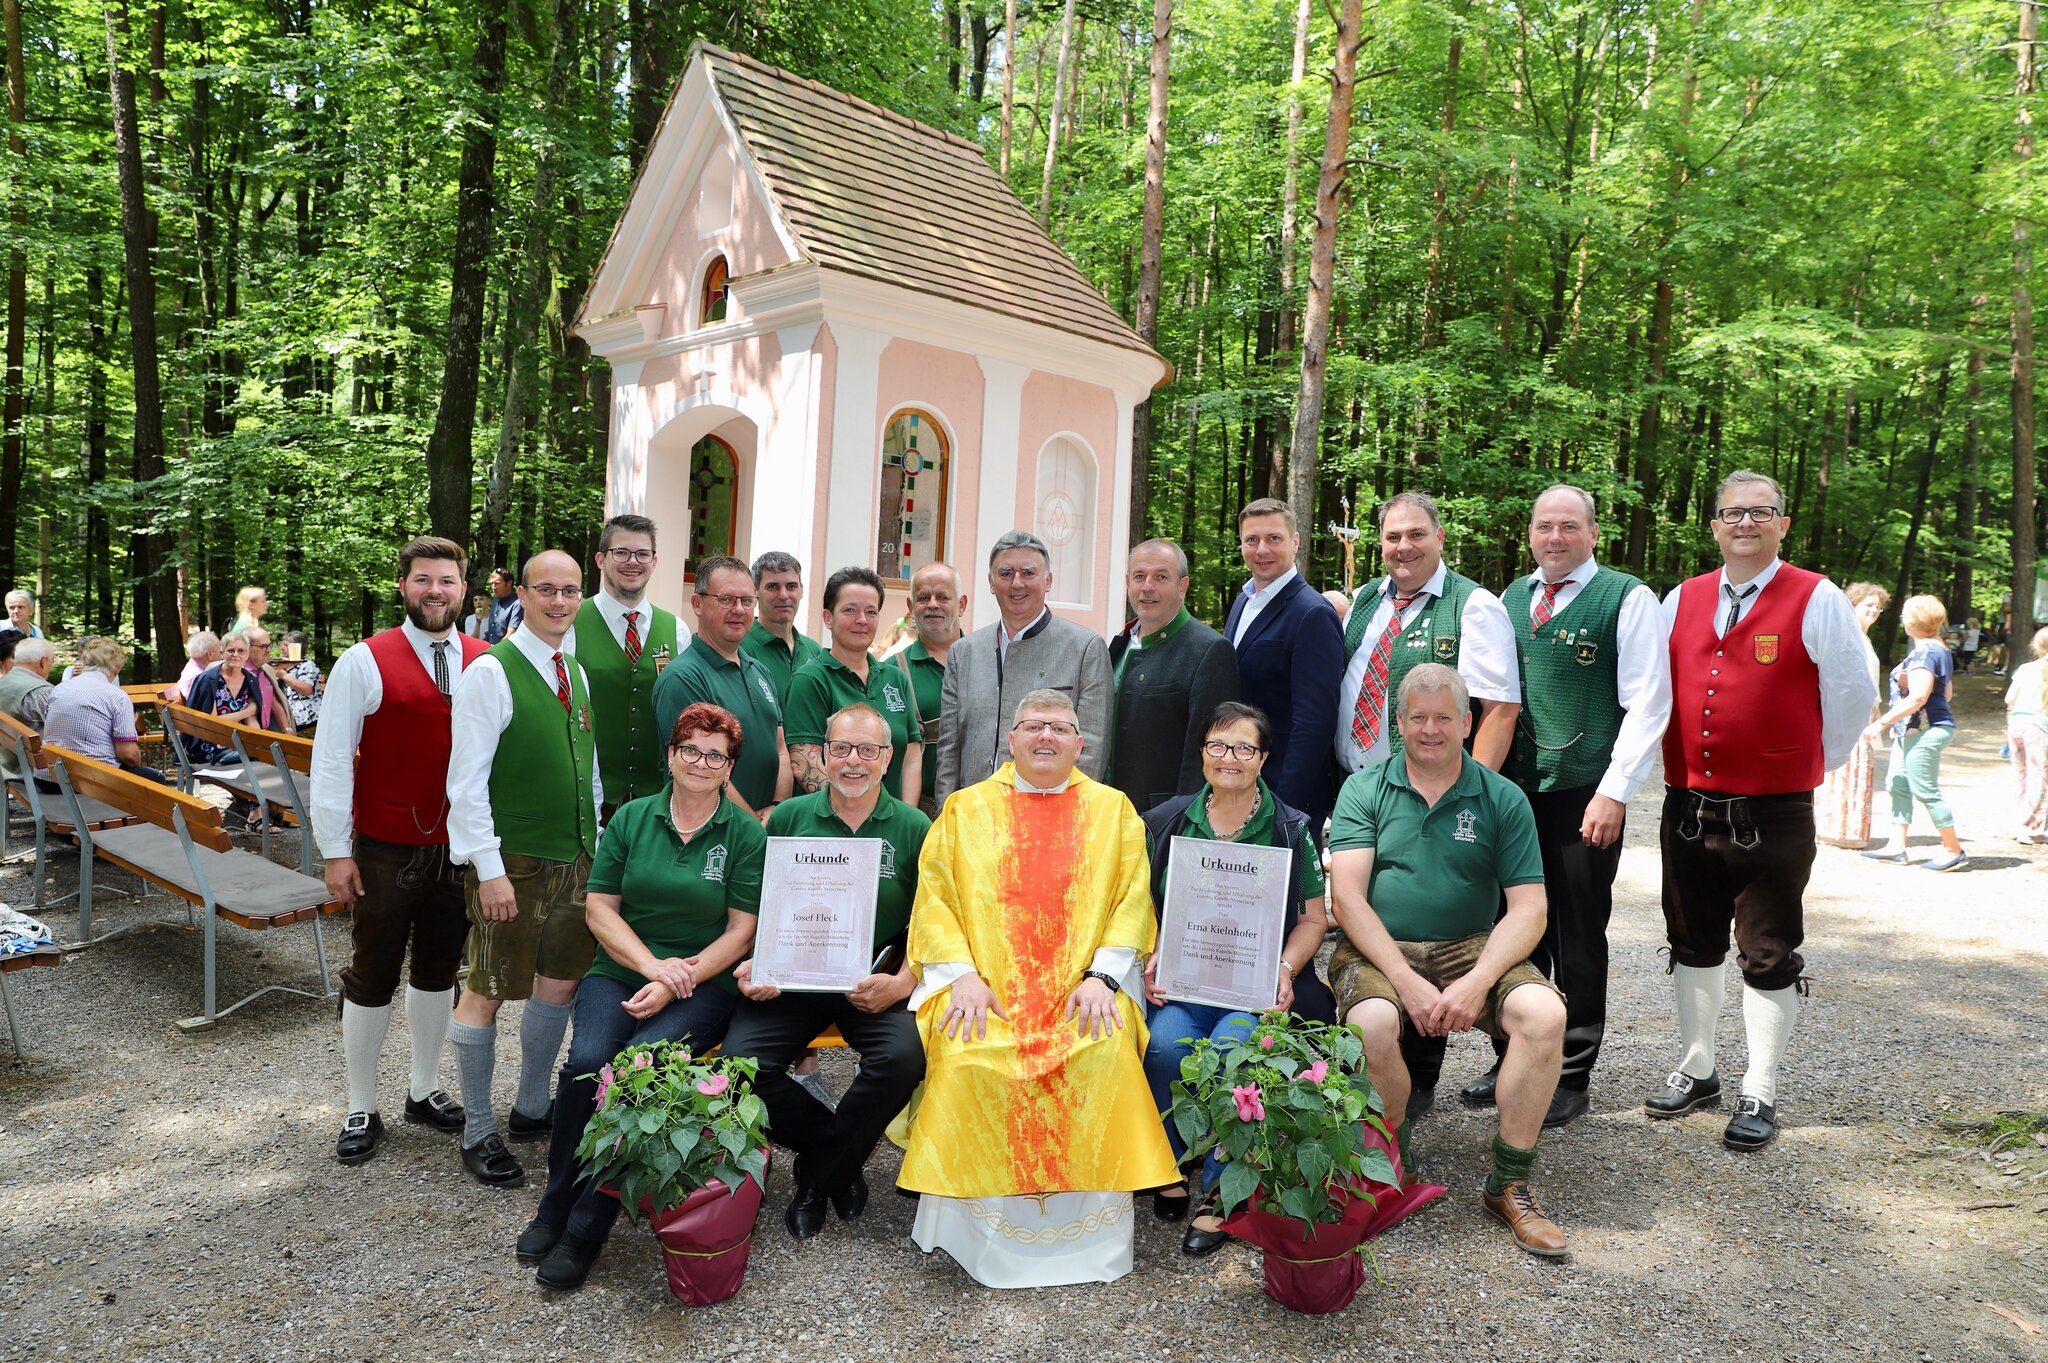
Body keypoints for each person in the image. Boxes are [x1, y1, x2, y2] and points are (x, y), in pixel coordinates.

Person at [902, 689, 1176, 1288]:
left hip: (1081, 991)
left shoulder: (1114, 811)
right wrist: (962, 976)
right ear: (1011, 738)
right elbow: (936, 901)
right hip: (988, 992)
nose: (1046, 738)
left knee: (1103, 1052)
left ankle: (1089, 1245)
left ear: (1082, 743)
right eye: (1033, 727)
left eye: (1060, 728)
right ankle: (977, 1239)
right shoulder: (964, 810)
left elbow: (1133, 901)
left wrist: (1104, 977)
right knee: (968, 1052)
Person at [1650, 470, 1876, 1151]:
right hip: (1688, 803)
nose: (1745, 523)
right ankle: (1698, 1066)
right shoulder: (1680, 598)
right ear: (1714, 525)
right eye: (1732, 513)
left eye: (1761, 512)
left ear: (1782, 524)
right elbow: (1654, 693)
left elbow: (1851, 692)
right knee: (1691, 939)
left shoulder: (1816, 596)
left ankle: (1761, 1085)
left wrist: (1803, 764)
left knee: (1768, 950)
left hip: (1773, 812)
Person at [1326, 664, 1569, 1257]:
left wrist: (1480, 979)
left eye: (1443, 718)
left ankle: (1510, 1181)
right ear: (1398, 724)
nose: (1430, 730)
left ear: (1467, 723)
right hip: (1383, 945)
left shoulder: (1501, 796)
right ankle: (1393, 1166)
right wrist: (1406, 981)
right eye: (1417, 718)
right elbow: (1348, 899)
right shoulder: (1364, 788)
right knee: (1373, 1024)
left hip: (1471, 944)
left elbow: (1530, 910)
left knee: (1544, 1015)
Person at [520, 703, 764, 1290]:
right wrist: (652, 967)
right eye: (691, 750)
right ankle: (554, 1203)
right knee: (584, 1065)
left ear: (729, 768)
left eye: (716, 755)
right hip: (624, 969)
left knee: (634, 1072)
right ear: (671, 755)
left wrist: (678, 978)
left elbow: (741, 929)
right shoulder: (631, 818)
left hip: (701, 984)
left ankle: (584, 1229)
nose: (702, 763)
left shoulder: (745, 833)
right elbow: (600, 908)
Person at [1458, 485, 1670, 1128]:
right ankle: (1514, 1052)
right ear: (1529, 533)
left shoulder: (1626, 597)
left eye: (1569, 526)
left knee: (1577, 931)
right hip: (1513, 794)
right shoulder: (1508, 601)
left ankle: (1572, 1070)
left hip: (1584, 790)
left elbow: (1649, 702)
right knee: (1513, 927)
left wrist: (1614, 791)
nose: (1556, 537)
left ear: (1593, 534)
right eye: (1545, 526)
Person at [723, 703, 930, 1239]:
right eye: (841, 749)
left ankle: (817, 1179)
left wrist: (904, 981)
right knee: (741, 1066)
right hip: (792, 975)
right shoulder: (789, 817)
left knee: (904, 1057)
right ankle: (835, 1152)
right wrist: (756, 962)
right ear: (824, 755)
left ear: (887, 758)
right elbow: (765, 902)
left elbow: (934, 919)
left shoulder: (913, 826)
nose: (853, 761)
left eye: (867, 750)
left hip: (871, 979)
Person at [311, 535, 487, 1166]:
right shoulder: (365, 659)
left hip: (460, 847)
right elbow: (331, 760)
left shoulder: (486, 658)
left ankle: (422, 1087)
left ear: (464, 589)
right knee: (374, 971)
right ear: (404, 587)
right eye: (422, 580)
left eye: (446, 580)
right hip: (385, 845)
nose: (435, 591)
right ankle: (360, 1103)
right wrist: (335, 848)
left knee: (441, 968)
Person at [1139, 701, 1335, 1255]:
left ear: (1263, 758)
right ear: (1202, 753)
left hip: (1251, 988)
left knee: (1232, 1055)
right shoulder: (1165, 822)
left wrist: (1284, 968)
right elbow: (1141, 906)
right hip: (1182, 980)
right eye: (1218, 746)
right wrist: (1152, 951)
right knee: (1163, 1048)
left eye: (1244, 747)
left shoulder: (1290, 828)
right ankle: (1167, 1163)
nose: (1230, 757)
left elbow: (1313, 920)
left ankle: (1221, 1192)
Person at [445, 549, 604, 1188]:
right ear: (524, 594)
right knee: (486, 988)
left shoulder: (578, 672)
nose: (560, 602)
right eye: (548, 590)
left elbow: (588, 774)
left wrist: (594, 847)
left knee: (558, 984)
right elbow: (466, 782)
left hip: (575, 860)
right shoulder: (492, 671)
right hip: (512, 864)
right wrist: (488, 868)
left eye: (570, 591)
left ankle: (532, 1105)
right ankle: (478, 1127)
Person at [933, 531, 1113, 807]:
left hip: (1050, 814)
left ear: (1048, 581)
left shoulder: (1084, 648)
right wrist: (947, 813)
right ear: (991, 583)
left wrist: (1069, 816)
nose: (1017, 583)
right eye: (1005, 574)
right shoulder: (964, 652)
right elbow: (949, 749)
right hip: (974, 815)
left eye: (1028, 573)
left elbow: (1091, 750)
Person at [1224, 498, 1343, 826]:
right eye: (1252, 540)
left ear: (1295, 541)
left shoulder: (1312, 613)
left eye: (1273, 538)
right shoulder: (1243, 602)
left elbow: (1314, 723)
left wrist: (1282, 806)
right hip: (1238, 783)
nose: (1262, 549)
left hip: (1283, 796)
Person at [652, 555, 791, 820]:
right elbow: (702, 769)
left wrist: (777, 808)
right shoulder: (683, 678)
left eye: (747, 601)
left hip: (762, 828)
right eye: (726, 599)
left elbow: (781, 749)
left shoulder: (760, 671)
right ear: (697, 604)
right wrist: (752, 823)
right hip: (711, 834)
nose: (738, 610)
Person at [1108, 539, 1240, 815]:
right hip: (1107, 812)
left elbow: (1207, 752)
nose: (1147, 587)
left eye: (1161, 577)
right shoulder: (1118, 644)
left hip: (1163, 817)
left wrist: (1182, 820)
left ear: (1183, 586)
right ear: (1127, 582)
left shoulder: (1209, 650)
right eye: (1139, 577)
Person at [571, 514, 684, 818]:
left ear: (654, 561)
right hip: (589, 800)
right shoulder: (570, 625)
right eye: (621, 552)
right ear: (600, 559)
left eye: (642, 554)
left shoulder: (677, 630)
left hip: (658, 801)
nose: (632, 562)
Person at [786, 566, 922, 802]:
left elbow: (911, 758)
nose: (861, 620)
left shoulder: (896, 678)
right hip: (830, 827)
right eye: (850, 610)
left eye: (871, 612)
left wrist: (905, 817)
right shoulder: (810, 680)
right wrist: (856, 812)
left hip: (891, 825)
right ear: (828, 618)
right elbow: (805, 762)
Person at [1860, 595, 1966, 872]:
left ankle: (1953, 849)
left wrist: (1881, 723)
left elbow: (1919, 697)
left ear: (1911, 621)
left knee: (1925, 789)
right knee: (1897, 782)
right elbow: (1947, 693)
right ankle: (1897, 846)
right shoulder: (1937, 650)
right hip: (1913, 730)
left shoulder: (1925, 653)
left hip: (1926, 730)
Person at [885, 561, 964, 814]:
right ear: (910, 607)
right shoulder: (892, 671)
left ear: (961, 605)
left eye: (943, 597)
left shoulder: (989, 660)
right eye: (923, 597)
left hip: (980, 814)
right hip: (919, 812)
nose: (932, 604)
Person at [1817, 583, 1889, 848]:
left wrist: (1877, 707)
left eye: (1877, 607)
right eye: (1867, 605)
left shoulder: (1865, 638)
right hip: (1849, 713)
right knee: (1845, 768)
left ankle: (1849, 828)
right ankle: (1837, 828)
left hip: (1867, 712)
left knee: (1858, 769)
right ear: (1853, 606)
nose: (1873, 610)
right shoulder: (1849, 636)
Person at [42, 636, 169, 783]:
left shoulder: (58, 690)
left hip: (49, 778)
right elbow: (128, 755)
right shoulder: (117, 696)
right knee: (156, 779)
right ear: (116, 668)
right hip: (90, 780)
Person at [740, 551, 824, 706]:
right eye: (773, 587)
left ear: (802, 590)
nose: (784, 595)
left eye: (791, 586)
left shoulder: (815, 651)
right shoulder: (740, 648)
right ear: (755, 592)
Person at [183, 632, 262, 766]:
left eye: (241, 651)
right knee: (247, 757)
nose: (235, 655)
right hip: (209, 741)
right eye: (230, 650)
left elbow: (251, 720)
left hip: (237, 741)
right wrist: (248, 711)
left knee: (261, 753)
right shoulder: (210, 680)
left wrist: (257, 743)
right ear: (222, 653)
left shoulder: (250, 680)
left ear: (247, 654)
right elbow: (213, 723)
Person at [2005, 626, 2048, 843]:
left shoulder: (2024, 668)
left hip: (2017, 725)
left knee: (2022, 776)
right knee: (2039, 777)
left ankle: (2021, 821)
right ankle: (2030, 827)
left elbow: (2008, 699)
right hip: (2039, 728)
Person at [0, 636, 55, 779]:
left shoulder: (3, 683)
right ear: (43, 661)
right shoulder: (42, 692)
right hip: (33, 773)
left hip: (5, 765)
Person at [243, 628, 298, 734]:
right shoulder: (238, 673)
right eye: (263, 646)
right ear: (247, 647)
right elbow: (250, 716)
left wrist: (287, 730)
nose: (268, 650)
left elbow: (274, 702)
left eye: (269, 645)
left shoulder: (266, 670)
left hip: (269, 732)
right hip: (247, 738)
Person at [275, 630, 324, 731]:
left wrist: (284, 676)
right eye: (282, 644)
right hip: (287, 720)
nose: (282, 648)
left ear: (297, 648)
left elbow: (307, 689)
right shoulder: (281, 665)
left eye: (286, 645)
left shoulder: (308, 665)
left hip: (309, 719)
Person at [172, 630, 223, 704]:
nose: (222, 655)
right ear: (209, 655)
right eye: (220, 652)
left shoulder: (191, 668)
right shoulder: (201, 678)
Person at [483, 567, 524, 643]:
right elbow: (491, 632)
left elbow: (511, 635)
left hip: (505, 651)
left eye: (497, 583)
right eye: (492, 583)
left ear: (509, 583)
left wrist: (494, 652)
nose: (493, 587)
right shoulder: (495, 600)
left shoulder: (517, 604)